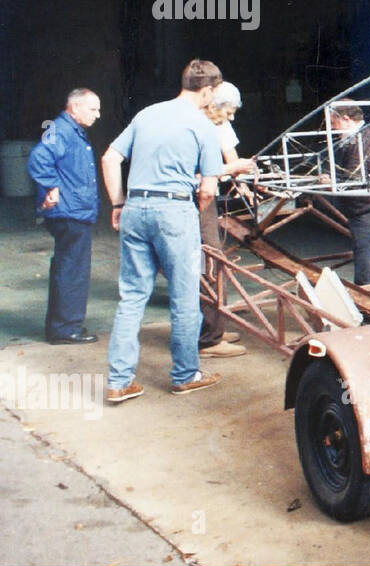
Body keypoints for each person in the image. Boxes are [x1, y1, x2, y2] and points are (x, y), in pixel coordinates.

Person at [101, 60, 226, 403]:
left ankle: (118, 381)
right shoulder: (202, 126)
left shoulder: (147, 115)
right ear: (207, 90)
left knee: (132, 297)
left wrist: (117, 204)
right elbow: (208, 190)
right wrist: (187, 213)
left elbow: (110, 158)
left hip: (135, 209)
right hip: (174, 210)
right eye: (214, 94)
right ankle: (185, 375)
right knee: (185, 298)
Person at [26, 88, 102, 344]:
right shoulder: (61, 130)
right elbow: (38, 158)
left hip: (75, 210)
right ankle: (65, 329)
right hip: (70, 212)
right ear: (75, 107)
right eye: (93, 109)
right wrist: (52, 187)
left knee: (69, 267)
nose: (98, 115)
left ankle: (63, 325)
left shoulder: (70, 131)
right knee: (72, 269)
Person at [198, 81, 255, 358]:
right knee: (210, 262)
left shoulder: (219, 123)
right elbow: (200, 174)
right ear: (213, 105)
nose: (231, 118)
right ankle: (209, 339)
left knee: (213, 261)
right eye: (228, 112)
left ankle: (213, 329)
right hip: (196, 201)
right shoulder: (196, 124)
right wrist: (233, 168)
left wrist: (241, 181)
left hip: (208, 199)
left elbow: (230, 151)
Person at [325, 104, 370, 297]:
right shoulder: (353, 139)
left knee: (369, 269)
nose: (332, 128)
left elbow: (355, 178)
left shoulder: (363, 140)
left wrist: (331, 181)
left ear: (346, 119)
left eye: (334, 123)